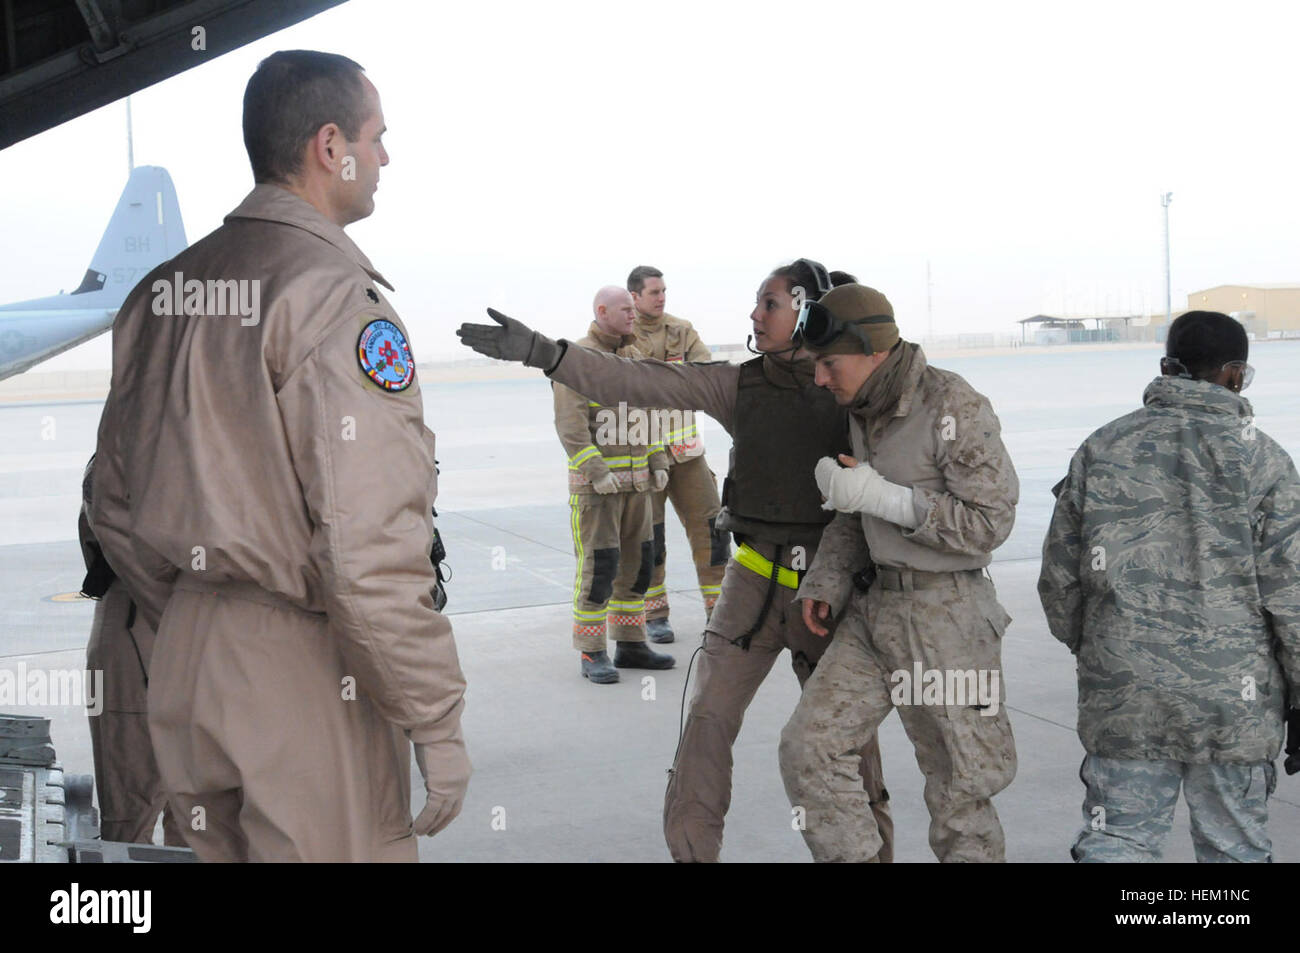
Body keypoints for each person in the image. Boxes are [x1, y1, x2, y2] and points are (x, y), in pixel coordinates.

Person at [89, 50, 468, 862]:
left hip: (185, 654)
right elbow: (367, 547)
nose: (385, 159)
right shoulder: (333, 298)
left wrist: (202, 609)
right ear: (331, 146)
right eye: (377, 138)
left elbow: (111, 502)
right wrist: (434, 717)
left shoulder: (162, 292)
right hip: (302, 665)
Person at [457, 259, 892, 863]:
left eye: (769, 304)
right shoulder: (739, 383)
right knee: (707, 723)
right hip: (753, 583)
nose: (754, 315)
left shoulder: (860, 395)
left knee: (846, 746)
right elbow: (633, 381)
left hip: (826, 595)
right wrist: (543, 352)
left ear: (809, 310)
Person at [1039, 310, 1300, 862]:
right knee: (1236, 850)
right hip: (1235, 703)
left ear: (1167, 367)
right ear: (1235, 374)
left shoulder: (1101, 447)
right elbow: (1291, 596)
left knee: (1119, 843)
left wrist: (1103, 649)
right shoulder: (1266, 460)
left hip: (1127, 692)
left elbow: (1058, 579)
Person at [778, 283, 1019, 863]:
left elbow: (990, 522)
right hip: (875, 610)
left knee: (959, 792)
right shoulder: (863, 409)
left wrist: (889, 499)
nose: (820, 379)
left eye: (828, 364)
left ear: (874, 352)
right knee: (809, 748)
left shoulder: (952, 406)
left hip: (948, 619)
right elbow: (855, 513)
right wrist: (828, 581)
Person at [555, 286, 675, 682]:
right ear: (602, 311)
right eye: (625, 309)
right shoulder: (576, 361)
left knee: (638, 567)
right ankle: (591, 652)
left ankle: (630, 643)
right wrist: (595, 471)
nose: (632, 314)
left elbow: (648, 413)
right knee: (599, 569)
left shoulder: (634, 358)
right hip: (598, 493)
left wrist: (658, 460)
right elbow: (570, 425)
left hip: (637, 489)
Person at [77, 455, 183, 846]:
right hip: (139, 633)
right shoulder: (128, 447)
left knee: (201, 822)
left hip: (170, 633)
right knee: (130, 822)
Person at [626, 265, 729, 641]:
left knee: (712, 529)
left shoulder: (681, 330)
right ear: (634, 297)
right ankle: (655, 613)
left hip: (687, 456)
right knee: (648, 539)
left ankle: (718, 608)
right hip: (645, 458)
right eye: (654, 292)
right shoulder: (623, 336)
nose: (661, 297)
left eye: (663, 290)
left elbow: (705, 374)